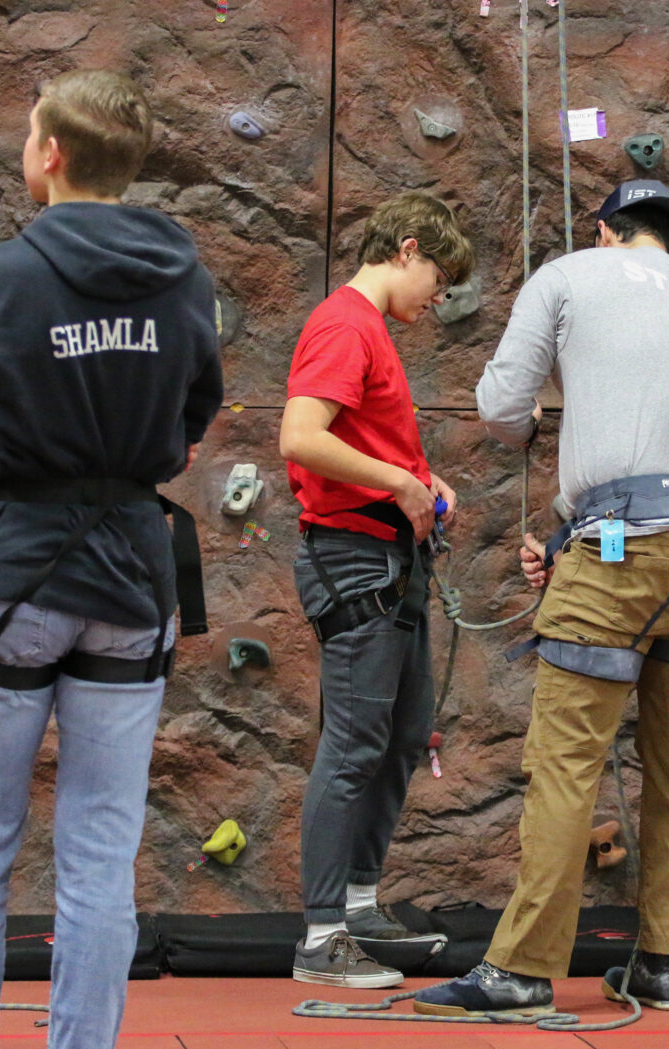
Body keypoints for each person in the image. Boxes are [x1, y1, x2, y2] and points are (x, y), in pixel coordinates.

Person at [0, 70, 222, 1049]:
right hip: (131, 581)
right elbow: (192, 418)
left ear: (50, 154)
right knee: (99, 857)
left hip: (16, 575)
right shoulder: (184, 278)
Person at [415, 179, 669, 1017]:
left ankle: (523, 968)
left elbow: (501, 409)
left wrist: (535, 427)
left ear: (606, 231)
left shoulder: (569, 274)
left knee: (566, 756)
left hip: (624, 548)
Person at [278, 192, 475, 987]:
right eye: (439, 278)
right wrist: (399, 481)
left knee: (403, 735)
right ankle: (322, 935)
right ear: (407, 248)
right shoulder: (346, 323)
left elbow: (356, 439)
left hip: (391, 557)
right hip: (356, 557)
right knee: (356, 741)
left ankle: (357, 907)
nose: (438, 298)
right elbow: (301, 436)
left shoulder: (370, 330)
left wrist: (422, 479)